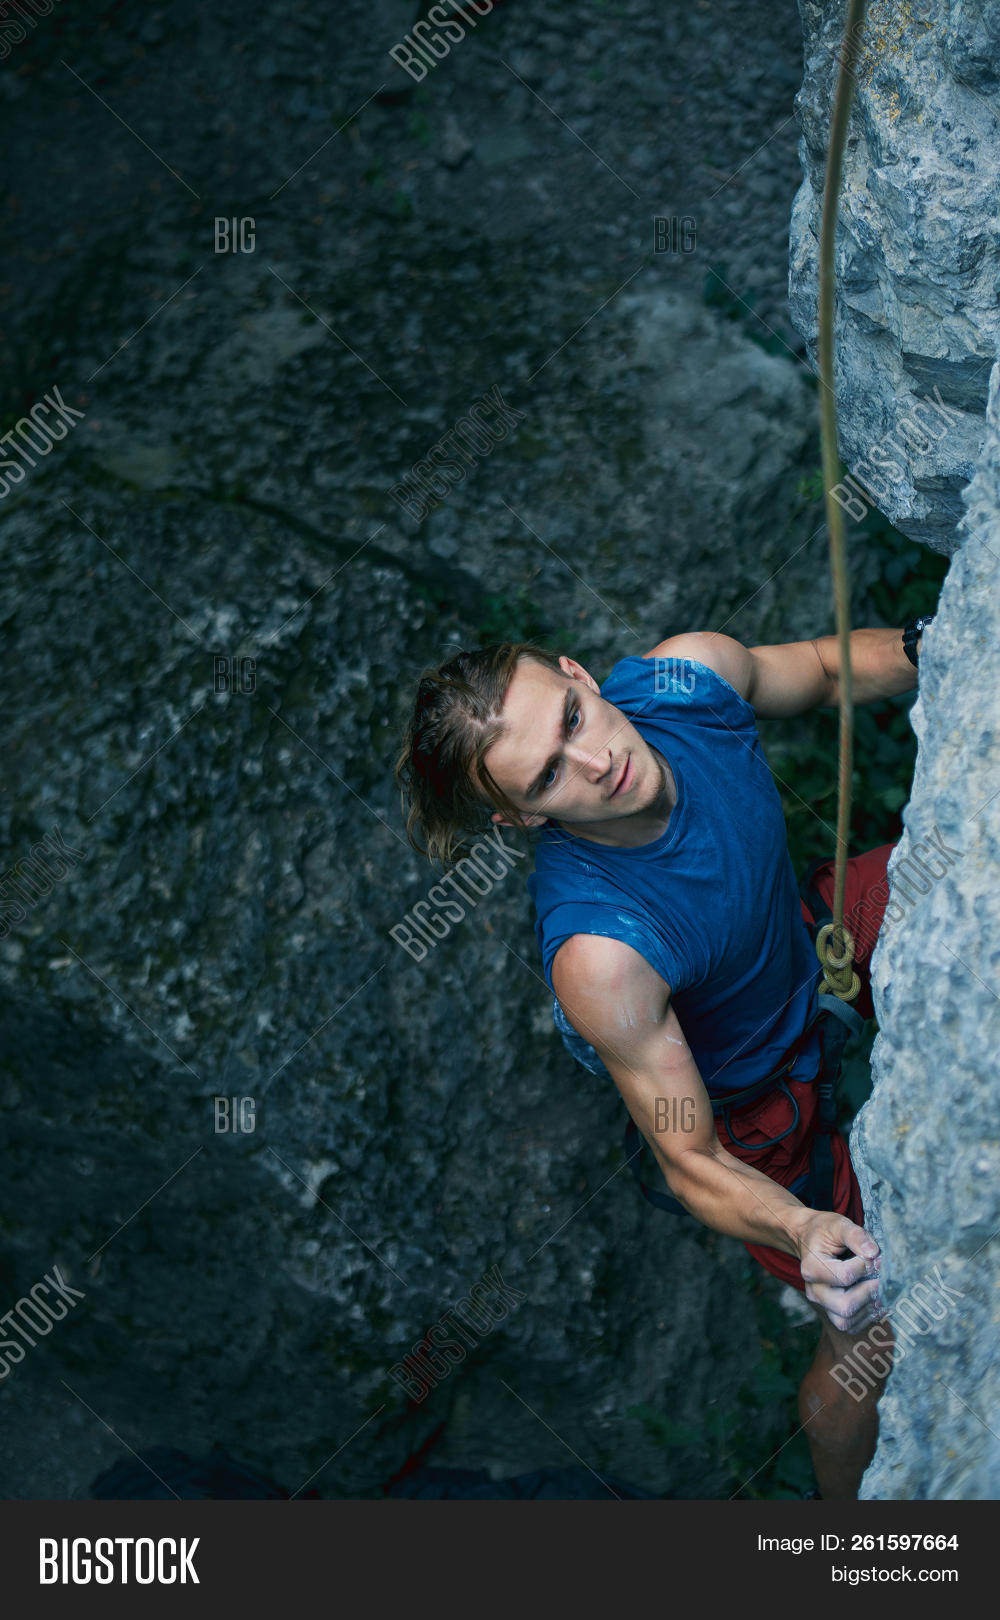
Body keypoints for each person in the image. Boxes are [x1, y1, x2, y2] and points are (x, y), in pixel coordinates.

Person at [395, 622, 928, 1499]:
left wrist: (944, 644)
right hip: (758, 1116)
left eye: (572, 716)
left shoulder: (689, 682)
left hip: (810, 943)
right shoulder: (602, 955)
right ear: (522, 815)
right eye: (549, 774)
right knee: (868, 1325)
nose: (595, 760)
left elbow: (827, 670)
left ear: (580, 673)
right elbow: (690, 1158)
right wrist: (801, 1231)